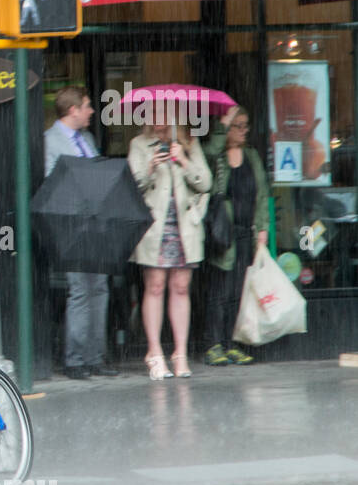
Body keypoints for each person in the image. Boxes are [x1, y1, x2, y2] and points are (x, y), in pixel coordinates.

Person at [127, 110, 212, 379]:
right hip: (155, 227)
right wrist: (150, 167)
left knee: (181, 286)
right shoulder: (139, 144)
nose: (157, 118)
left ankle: (180, 353)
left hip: (184, 227)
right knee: (155, 286)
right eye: (152, 112)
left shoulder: (189, 140)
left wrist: (184, 160)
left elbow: (206, 183)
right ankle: (154, 352)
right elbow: (131, 186)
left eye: (163, 112)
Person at [43, 86, 117, 379]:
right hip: (72, 226)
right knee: (79, 292)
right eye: (87, 106)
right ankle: (74, 360)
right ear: (73, 110)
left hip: (97, 225)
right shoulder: (49, 141)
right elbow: (52, 183)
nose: (91, 112)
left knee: (99, 289)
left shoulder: (87, 139)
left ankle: (95, 357)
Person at [203, 105, 269, 365]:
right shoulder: (216, 157)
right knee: (218, 290)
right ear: (226, 129)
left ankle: (232, 343)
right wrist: (222, 127)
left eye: (246, 125)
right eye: (238, 126)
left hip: (246, 233)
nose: (244, 131)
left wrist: (262, 228)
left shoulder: (251, 156)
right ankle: (213, 344)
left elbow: (262, 194)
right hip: (223, 233)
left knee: (239, 292)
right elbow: (208, 152)